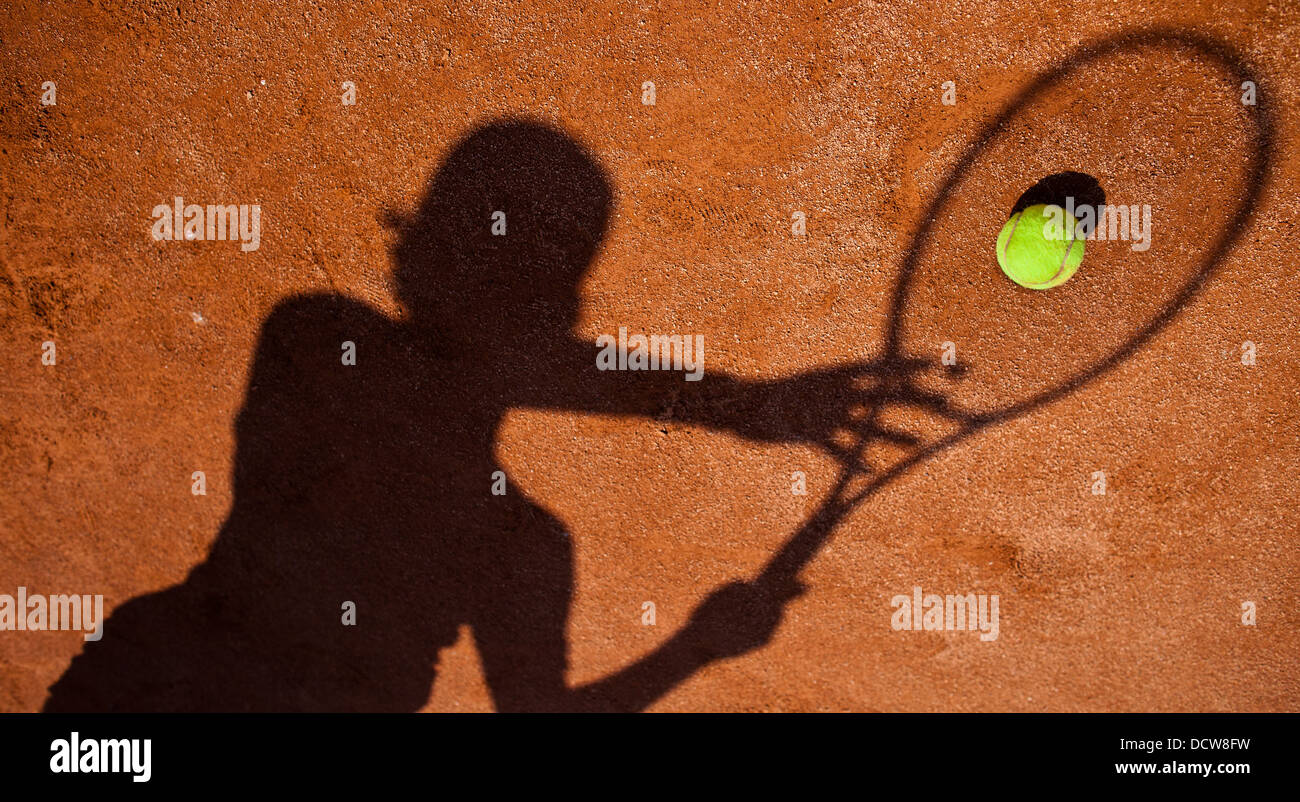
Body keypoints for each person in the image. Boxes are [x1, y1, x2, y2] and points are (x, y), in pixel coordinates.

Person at [46, 119, 878, 711]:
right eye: (484, 249)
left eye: (523, 267)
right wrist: (739, 405)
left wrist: (692, 649)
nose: (492, 286)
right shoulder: (317, 339)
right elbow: (473, 369)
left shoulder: (525, 547)